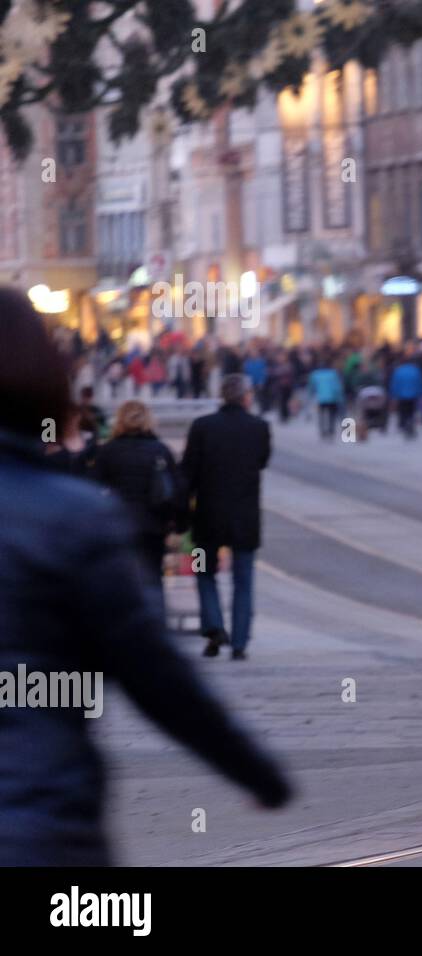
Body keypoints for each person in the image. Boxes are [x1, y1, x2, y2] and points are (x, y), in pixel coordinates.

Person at [0, 288, 290, 865]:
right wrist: (255, 773)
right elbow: (154, 675)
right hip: (40, 825)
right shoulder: (72, 516)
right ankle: (234, 632)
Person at [181, 374, 272, 660]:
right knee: (243, 580)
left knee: (204, 573)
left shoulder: (202, 426)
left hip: (208, 515)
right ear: (246, 397)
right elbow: (262, 461)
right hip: (245, 518)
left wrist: (182, 509)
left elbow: (188, 473)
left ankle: (213, 627)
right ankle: (240, 643)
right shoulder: (259, 427)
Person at [91, 401, 184, 593]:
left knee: (120, 581)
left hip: (119, 524)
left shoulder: (109, 450)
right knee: (153, 579)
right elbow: (177, 490)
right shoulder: (160, 450)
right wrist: (179, 524)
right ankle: (154, 619)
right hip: (153, 524)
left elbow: (93, 488)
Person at [389, 347, 422, 440]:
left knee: (403, 412)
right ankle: (411, 426)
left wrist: (393, 395)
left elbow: (395, 383)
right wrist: (420, 393)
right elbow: (419, 382)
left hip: (402, 396)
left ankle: (405, 426)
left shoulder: (399, 370)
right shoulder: (416, 370)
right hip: (413, 395)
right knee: (412, 412)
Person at [308, 360, 344, 440]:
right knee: (332, 415)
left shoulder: (315, 374)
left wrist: (311, 395)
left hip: (321, 398)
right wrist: (340, 396)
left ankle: (322, 431)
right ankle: (331, 430)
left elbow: (311, 386)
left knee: (321, 415)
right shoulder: (333, 374)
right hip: (332, 397)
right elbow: (337, 386)